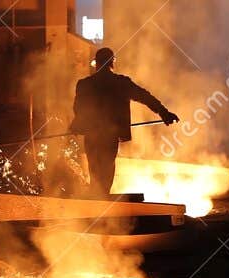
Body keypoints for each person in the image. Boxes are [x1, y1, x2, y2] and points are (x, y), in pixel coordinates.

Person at [70, 47, 179, 195]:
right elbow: (145, 97)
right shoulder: (122, 83)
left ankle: (96, 204)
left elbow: (78, 108)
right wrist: (164, 113)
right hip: (110, 137)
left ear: (96, 63)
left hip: (92, 135)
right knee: (106, 171)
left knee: (95, 172)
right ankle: (102, 203)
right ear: (112, 63)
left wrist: (77, 125)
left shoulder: (84, 84)